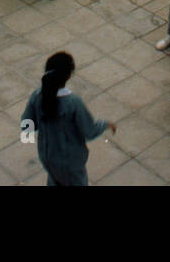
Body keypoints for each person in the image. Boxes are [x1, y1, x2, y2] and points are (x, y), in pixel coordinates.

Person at [20, 52, 115, 186]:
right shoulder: (73, 103)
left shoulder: (37, 96)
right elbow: (89, 131)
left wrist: (29, 137)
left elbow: (26, 124)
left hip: (48, 158)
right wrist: (106, 124)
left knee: (55, 181)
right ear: (69, 75)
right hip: (70, 163)